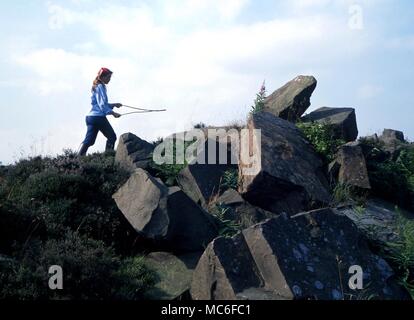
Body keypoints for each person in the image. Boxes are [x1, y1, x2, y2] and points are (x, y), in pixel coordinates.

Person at [78, 67, 122, 156]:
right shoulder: (100, 86)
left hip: (91, 117)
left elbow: (100, 104)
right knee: (112, 137)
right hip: (98, 118)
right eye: (108, 77)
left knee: (89, 141)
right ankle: (108, 158)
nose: (109, 79)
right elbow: (102, 105)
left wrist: (114, 105)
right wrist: (113, 113)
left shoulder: (97, 86)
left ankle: (79, 158)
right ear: (102, 77)